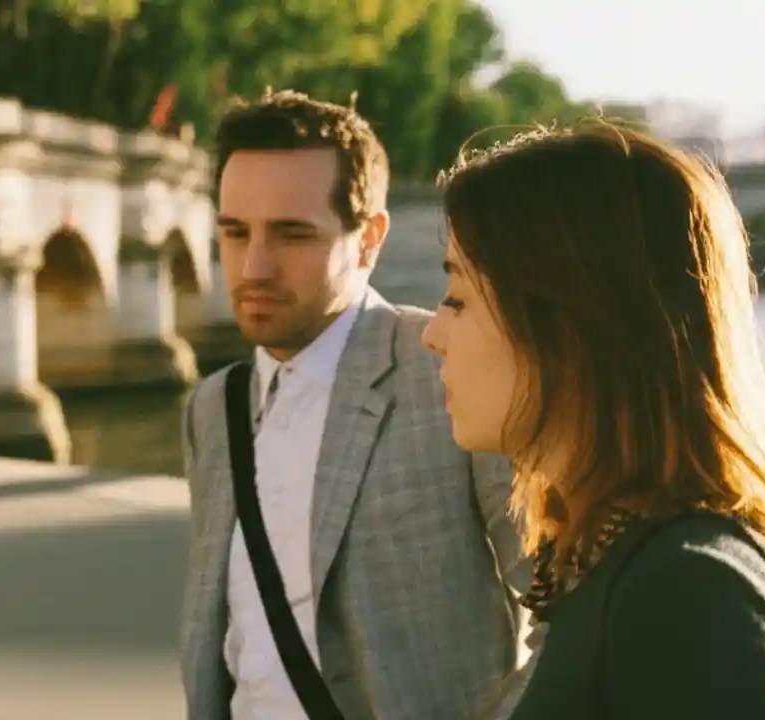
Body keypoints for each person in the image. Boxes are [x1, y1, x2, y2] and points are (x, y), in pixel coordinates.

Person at [421, 123, 765, 718]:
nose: (432, 335)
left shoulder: (687, 594)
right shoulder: (634, 561)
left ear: (570, 328)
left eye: (458, 300)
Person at [178, 90, 527, 720]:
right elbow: (230, 635)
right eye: (234, 233)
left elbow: (572, 610)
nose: (253, 266)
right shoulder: (212, 407)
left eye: (292, 234)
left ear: (369, 239)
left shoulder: (449, 372)